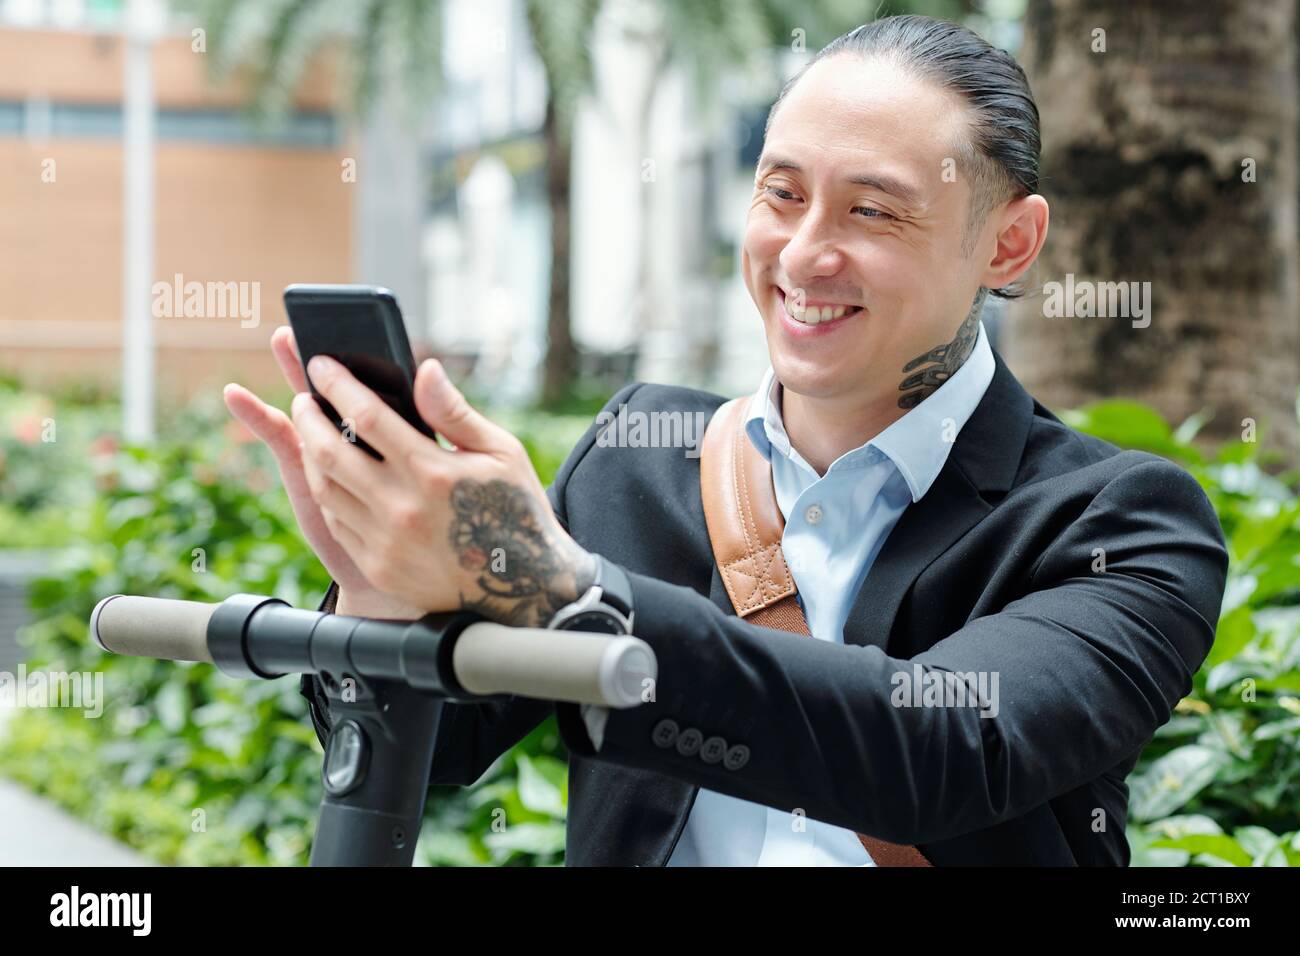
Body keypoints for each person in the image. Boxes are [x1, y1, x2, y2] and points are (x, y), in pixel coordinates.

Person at [223, 15, 1228, 866]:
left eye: (871, 210)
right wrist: (381, 592)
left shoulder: (1120, 521)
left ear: (1005, 243)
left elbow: (945, 748)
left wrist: (560, 590)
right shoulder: (633, 457)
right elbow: (439, 745)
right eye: (781, 194)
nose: (802, 253)